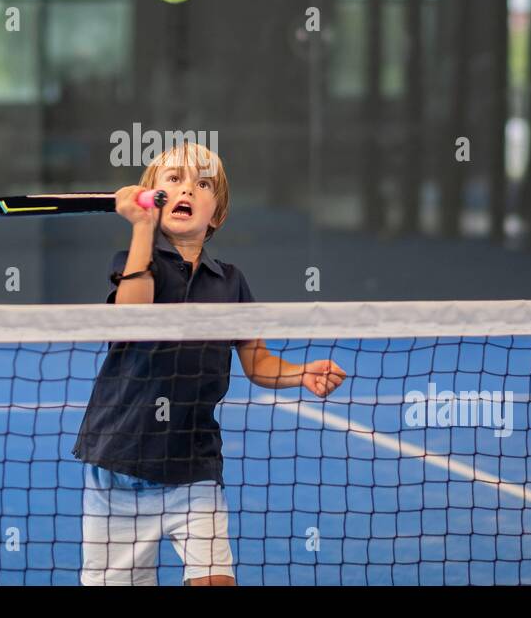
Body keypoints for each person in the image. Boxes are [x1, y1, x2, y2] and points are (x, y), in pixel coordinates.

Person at [72, 143, 347, 585]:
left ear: (215, 215)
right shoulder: (134, 264)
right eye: (174, 180)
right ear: (152, 199)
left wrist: (301, 373)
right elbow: (132, 319)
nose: (188, 189)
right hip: (120, 467)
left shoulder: (232, 282)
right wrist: (141, 228)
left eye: (202, 184)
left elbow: (257, 361)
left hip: (194, 468)